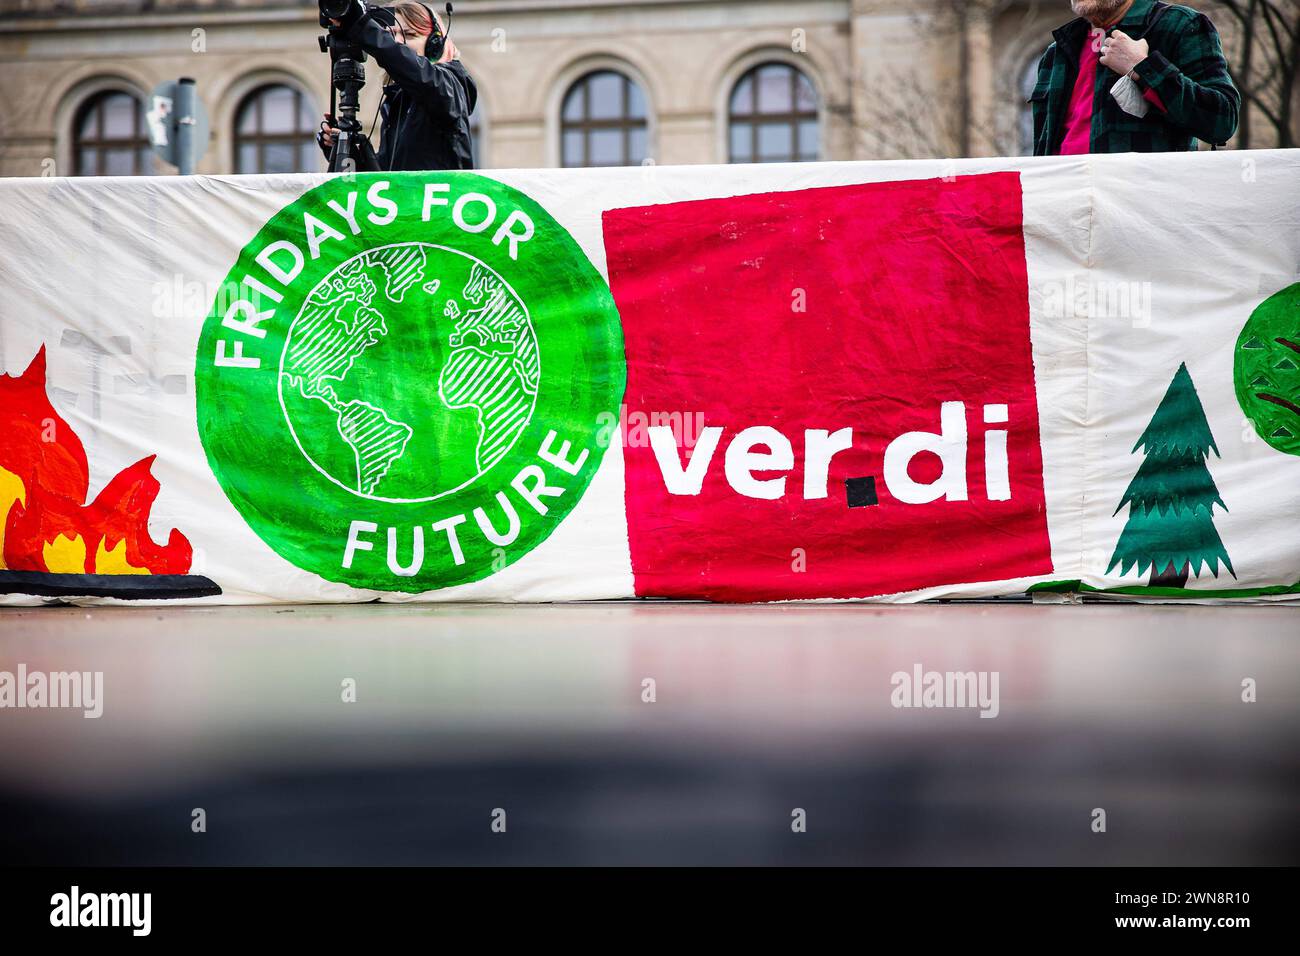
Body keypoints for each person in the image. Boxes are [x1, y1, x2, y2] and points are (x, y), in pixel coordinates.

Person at [1029, 0, 1238, 155]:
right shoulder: (1055, 54)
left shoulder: (1180, 25)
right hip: (1065, 193)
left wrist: (1143, 67)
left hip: (1140, 197)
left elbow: (1223, 121)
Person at [319, 2, 476, 170]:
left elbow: (422, 77)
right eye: (390, 35)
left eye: (409, 35)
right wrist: (346, 153)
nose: (398, 42)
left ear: (435, 44)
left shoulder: (450, 83)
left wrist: (361, 27)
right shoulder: (396, 101)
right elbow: (386, 181)